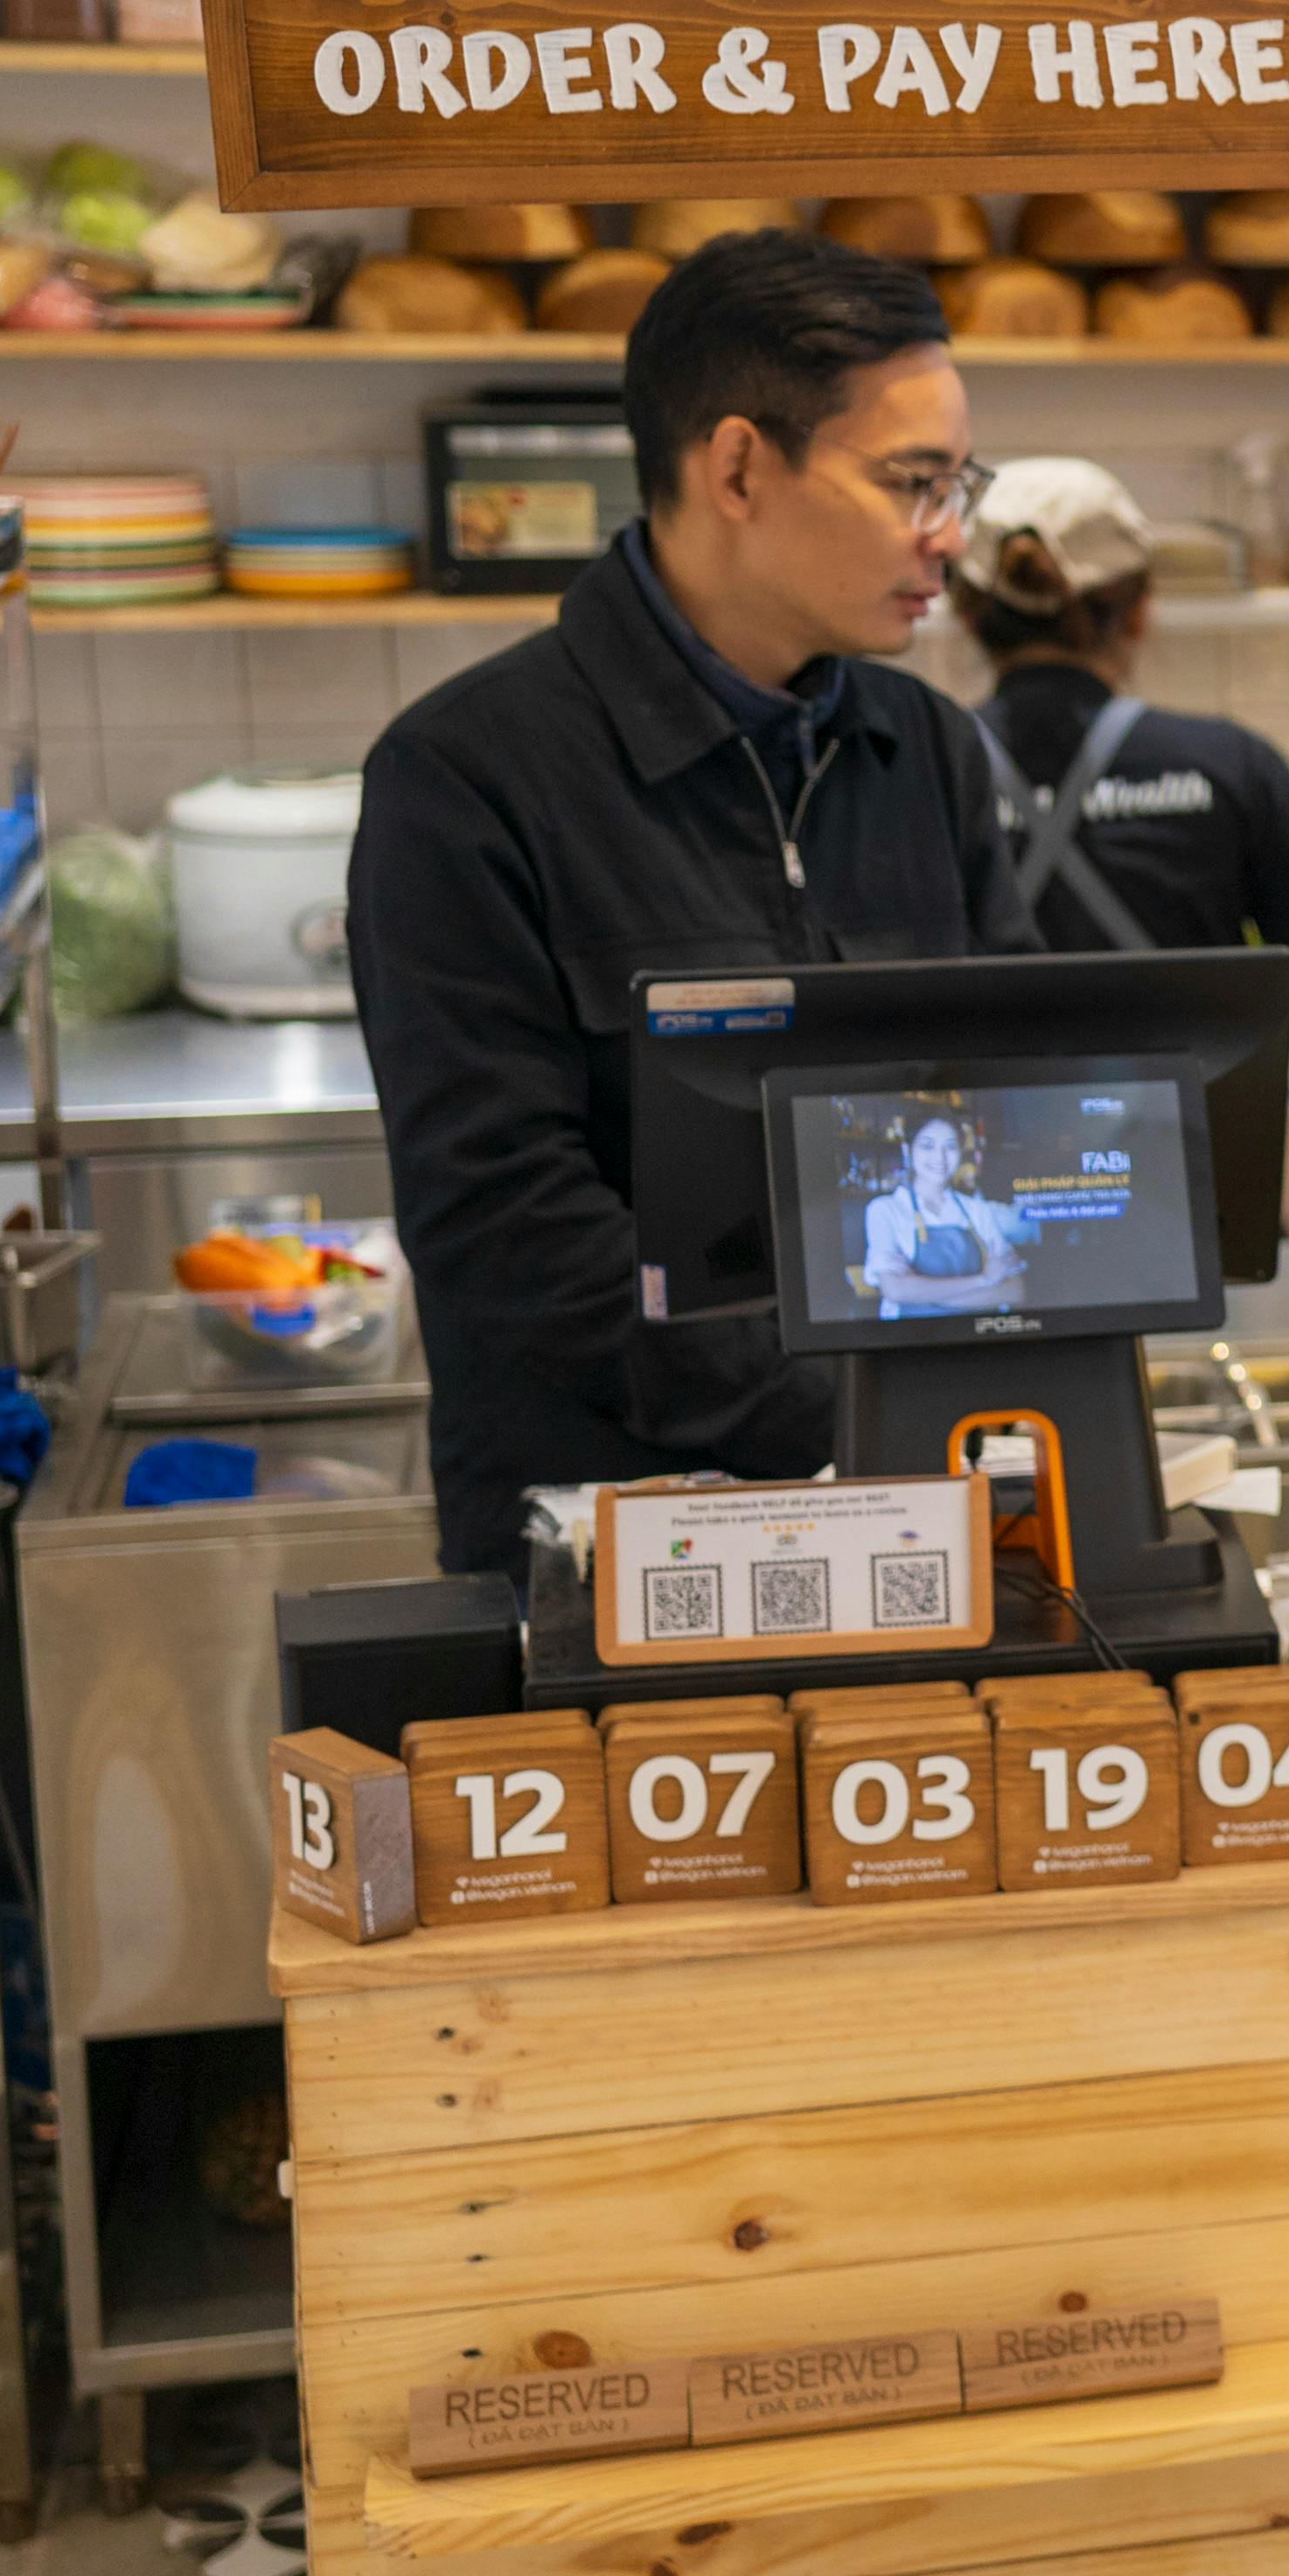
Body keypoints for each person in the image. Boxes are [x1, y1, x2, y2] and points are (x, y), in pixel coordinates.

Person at [351, 233, 1021, 1572]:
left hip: (918, 1509)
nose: (951, 533)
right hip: (607, 1551)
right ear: (734, 467)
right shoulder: (466, 778)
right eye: (911, 482)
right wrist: (831, 1410)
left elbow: (1006, 1091)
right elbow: (506, 1224)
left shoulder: (926, 749)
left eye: (960, 482)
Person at [952, 462, 1289, 1010]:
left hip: (987, 1100)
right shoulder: (1231, 763)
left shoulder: (923, 770)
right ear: (1139, 612)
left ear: (967, 614)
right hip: (1192, 1097)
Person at [853, 1108, 1035, 1313]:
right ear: (907, 1149)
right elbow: (896, 1291)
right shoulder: (885, 1210)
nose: (939, 1157)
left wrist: (923, 1294)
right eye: (927, 1146)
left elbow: (1015, 1291)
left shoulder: (977, 1209)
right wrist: (983, 1280)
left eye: (950, 1147)